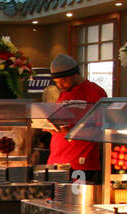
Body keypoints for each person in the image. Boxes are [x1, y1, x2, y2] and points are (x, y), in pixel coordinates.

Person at [46, 54, 108, 183]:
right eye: (57, 83)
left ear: (75, 75)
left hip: (81, 163)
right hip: (56, 159)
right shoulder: (63, 94)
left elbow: (99, 130)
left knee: (75, 200)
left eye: (63, 81)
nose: (60, 86)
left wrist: (70, 132)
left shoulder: (95, 92)